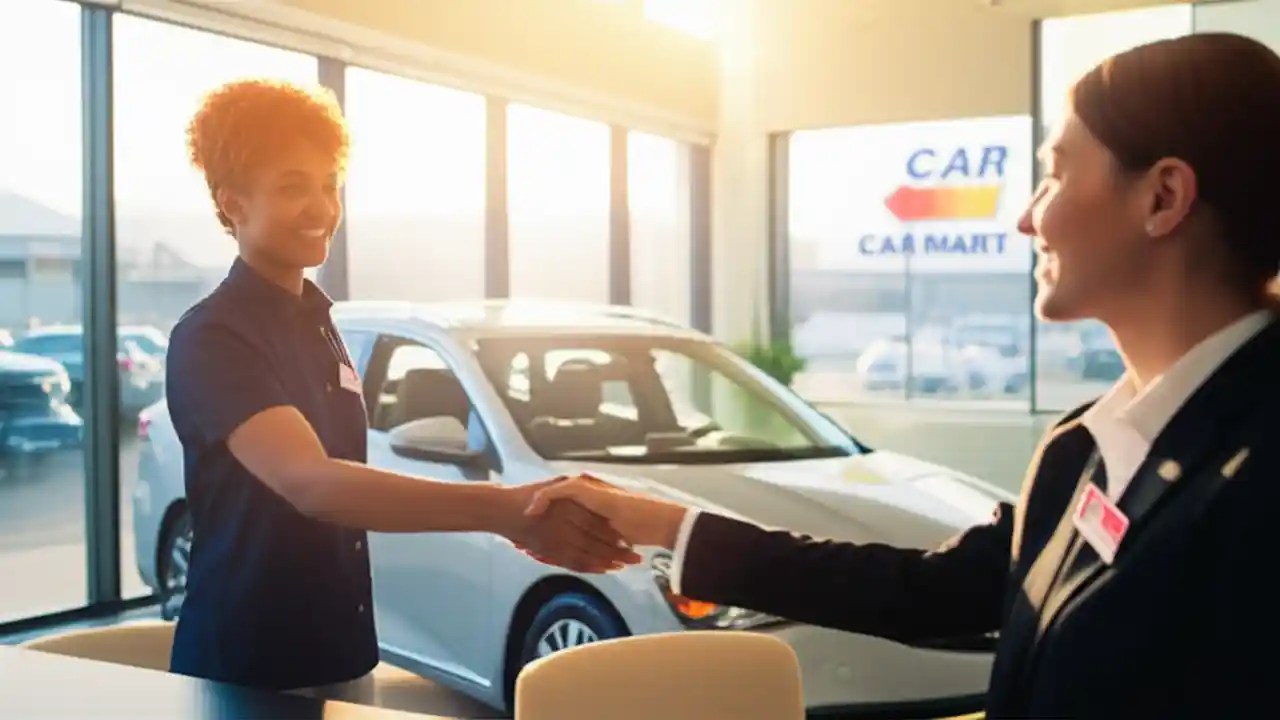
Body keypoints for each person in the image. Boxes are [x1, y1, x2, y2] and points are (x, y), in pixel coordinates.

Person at [525, 33, 1280, 718]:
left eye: (1054, 175)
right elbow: (921, 593)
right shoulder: (1084, 448)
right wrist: (661, 523)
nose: (1028, 219)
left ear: (1164, 197)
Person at [165, 79, 640, 700]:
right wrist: (507, 511)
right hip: (250, 666)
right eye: (291, 187)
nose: (322, 208)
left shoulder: (320, 324)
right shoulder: (213, 337)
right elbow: (313, 483)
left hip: (342, 650)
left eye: (328, 185)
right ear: (233, 205)